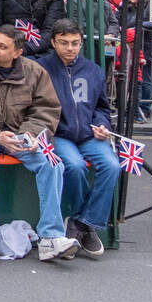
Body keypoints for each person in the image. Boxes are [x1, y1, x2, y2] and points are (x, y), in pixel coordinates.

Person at [0, 25, 79, 268]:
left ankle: (50, 237)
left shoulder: (35, 72)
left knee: (52, 163)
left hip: (20, 132)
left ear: (18, 52)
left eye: (2, 46)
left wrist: (31, 135)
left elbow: (46, 110)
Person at [40, 18, 119, 259]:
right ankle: (84, 224)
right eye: (64, 43)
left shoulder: (93, 70)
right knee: (73, 166)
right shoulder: (42, 68)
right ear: (53, 42)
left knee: (113, 165)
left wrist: (103, 125)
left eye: (75, 43)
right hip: (60, 134)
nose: (70, 48)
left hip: (89, 133)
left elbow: (102, 108)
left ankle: (81, 223)